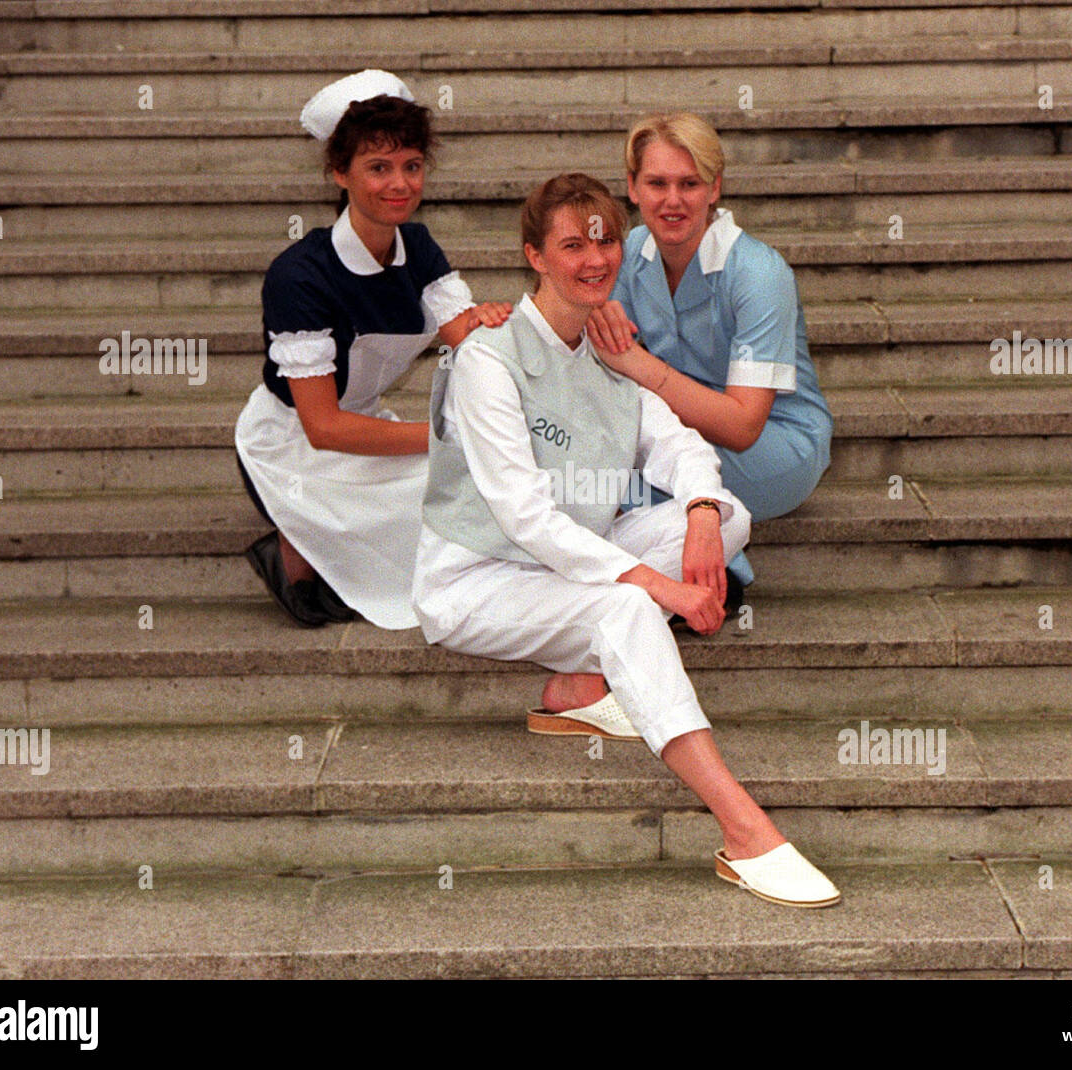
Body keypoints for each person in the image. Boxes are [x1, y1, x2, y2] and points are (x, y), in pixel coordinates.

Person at [411, 173, 840, 908]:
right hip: (475, 578)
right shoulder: (488, 358)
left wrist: (703, 509)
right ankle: (746, 832)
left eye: (604, 240)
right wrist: (660, 587)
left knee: (728, 514)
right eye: (572, 245)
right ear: (535, 257)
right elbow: (526, 518)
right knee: (629, 613)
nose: (593, 259)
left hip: (569, 563)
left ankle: (578, 688)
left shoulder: (606, 344)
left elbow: (680, 447)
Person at [234, 69, 511, 628]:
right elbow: (324, 428)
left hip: (370, 428)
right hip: (294, 444)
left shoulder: (419, 247)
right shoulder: (301, 277)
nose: (400, 184)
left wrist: (506, 323)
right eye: (378, 168)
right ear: (340, 173)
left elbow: (468, 339)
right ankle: (295, 548)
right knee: (453, 497)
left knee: (475, 498)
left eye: (412, 166)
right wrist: (445, 439)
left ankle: (333, 540)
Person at [587, 112, 834, 594]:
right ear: (633, 189)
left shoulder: (758, 274)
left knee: (615, 472)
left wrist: (636, 363)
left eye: (690, 183)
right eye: (656, 183)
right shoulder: (631, 251)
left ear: (715, 188)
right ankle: (711, 570)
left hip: (774, 443)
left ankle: (709, 575)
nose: (673, 200)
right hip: (683, 430)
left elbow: (742, 427)